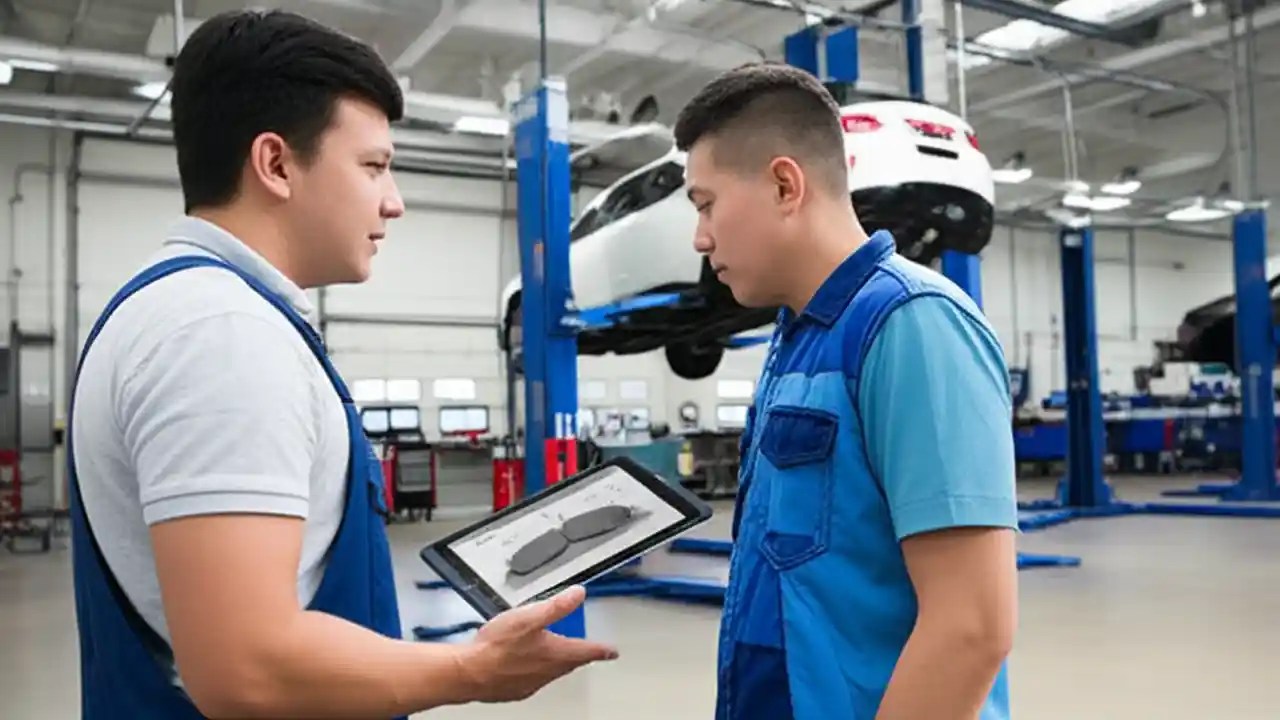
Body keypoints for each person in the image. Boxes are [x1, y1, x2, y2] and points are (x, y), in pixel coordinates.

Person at [68, 9, 616, 719]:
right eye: (373, 166)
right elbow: (246, 667)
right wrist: (471, 668)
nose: (393, 202)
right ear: (275, 164)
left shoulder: (182, 309)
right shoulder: (220, 334)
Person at [674, 63, 1019, 719]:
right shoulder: (799, 337)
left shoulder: (913, 325)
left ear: (784, 184)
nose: (701, 237)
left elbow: (972, 627)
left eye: (706, 203)